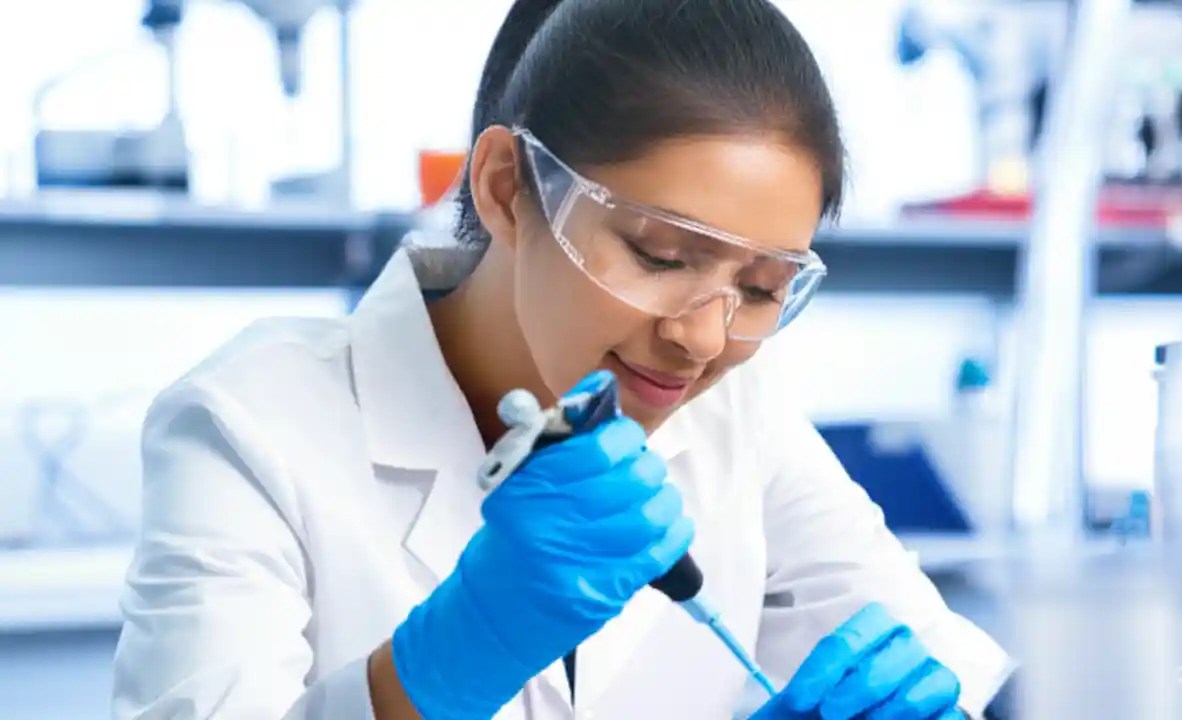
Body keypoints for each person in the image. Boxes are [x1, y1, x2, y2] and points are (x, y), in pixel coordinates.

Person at [111, 1, 1014, 718]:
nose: (704, 337)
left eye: (766, 286)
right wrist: (454, 656)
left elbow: (929, 655)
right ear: (507, 189)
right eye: (662, 255)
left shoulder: (738, 412)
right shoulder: (250, 423)